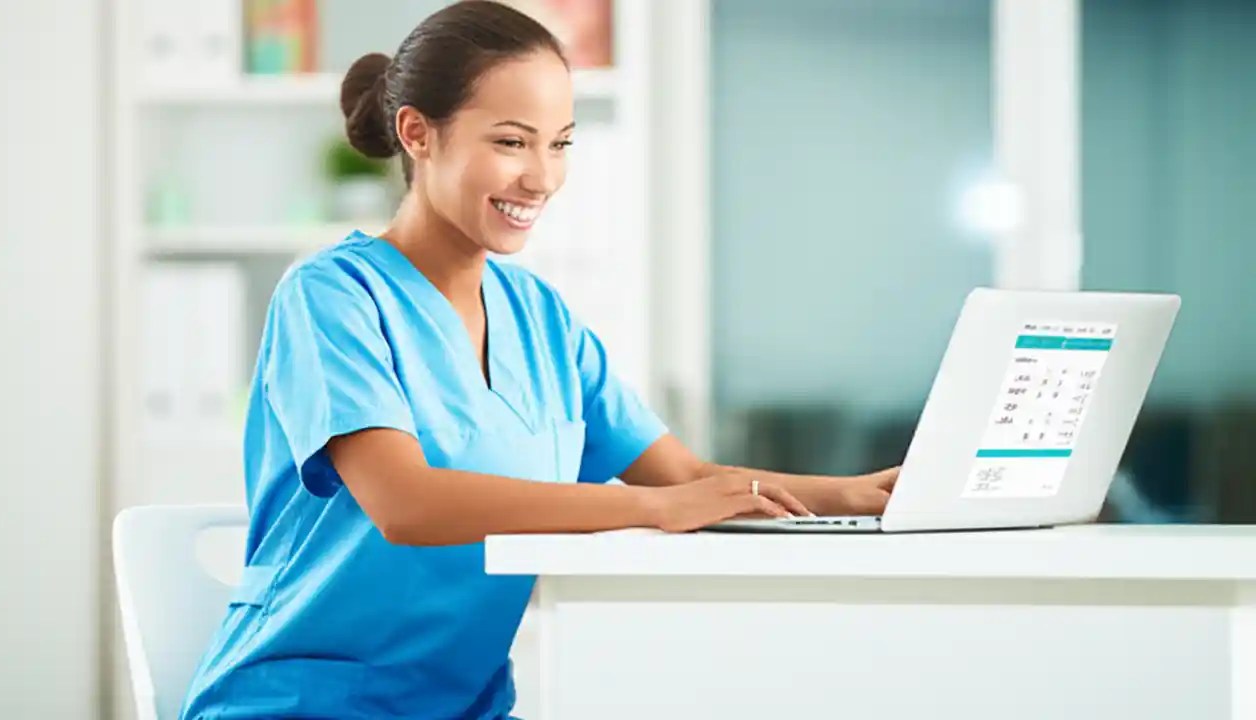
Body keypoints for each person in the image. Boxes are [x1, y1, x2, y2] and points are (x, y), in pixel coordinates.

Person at [178, 2, 898, 718]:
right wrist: (646, 508)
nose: (543, 178)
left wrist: (858, 495)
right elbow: (406, 502)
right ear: (417, 133)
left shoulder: (541, 318)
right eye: (513, 142)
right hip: (304, 704)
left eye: (560, 144)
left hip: (465, 708)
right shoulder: (332, 297)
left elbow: (689, 478)